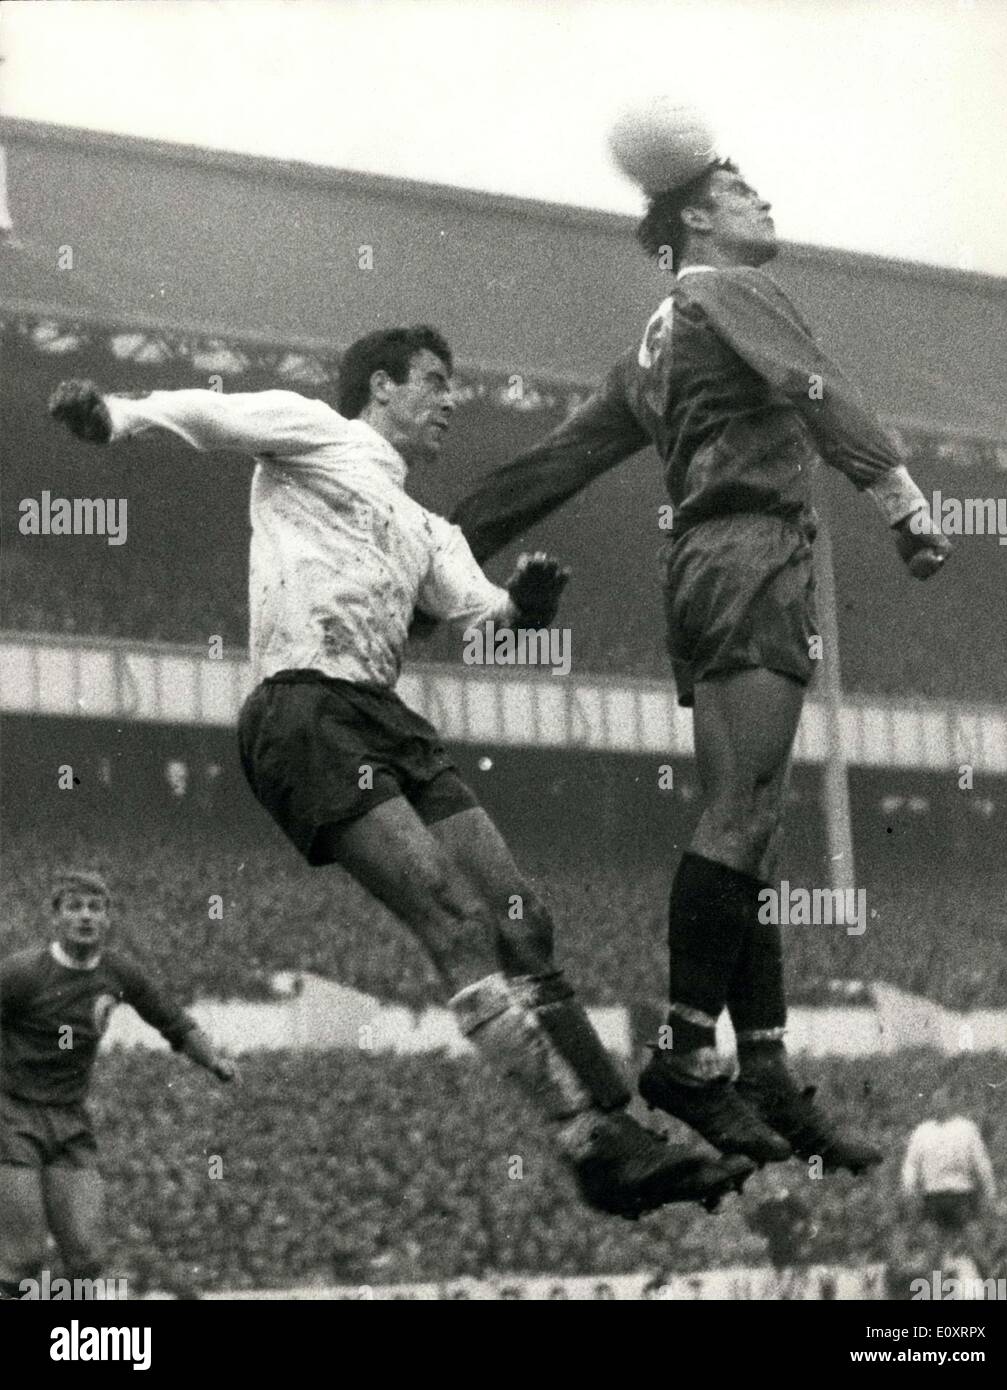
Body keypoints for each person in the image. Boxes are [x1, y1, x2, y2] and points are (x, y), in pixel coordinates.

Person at [48, 326, 751, 1220]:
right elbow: (207, 413)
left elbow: (482, 609)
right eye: (434, 382)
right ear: (380, 387)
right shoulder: (314, 430)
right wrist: (114, 414)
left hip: (385, 716)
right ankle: (587, 1141)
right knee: (457, 923)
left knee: (520, 921)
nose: (452, 400)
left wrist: (526, 608)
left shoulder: (426, 527)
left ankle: (619, 1130)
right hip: (304, 709)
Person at [447, 162, 952, 1173]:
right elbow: (816, 386)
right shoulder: (728, 289)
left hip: (701, 565)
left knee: (751, 826)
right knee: (738, 814)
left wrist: (447, 550)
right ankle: (685, 1052)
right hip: (755, 555)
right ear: (698, 220)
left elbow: (560, 460)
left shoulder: (652, 344)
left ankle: (759, 1064)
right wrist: (899, 494)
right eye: (743, 192)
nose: (765, 202)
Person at [0, 869, 236, 1301]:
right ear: (56, 917)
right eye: (74, 907)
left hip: (71, 1118)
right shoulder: (22, 974)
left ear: (108, 918)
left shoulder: (118, 972)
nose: (85, 917)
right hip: (13, 1115)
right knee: (22, 1259)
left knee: (88, 1258)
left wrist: (213, 1060)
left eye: (95, 908)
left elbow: (171, 1020)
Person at [901, 1087, 996, 1239]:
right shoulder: (922, 1131)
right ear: (931, 1104)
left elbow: (981, 1160)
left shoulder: (966, 1128)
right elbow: (911, 1164)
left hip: (961, 1194)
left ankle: (984, 1263)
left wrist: (989, 1187)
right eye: (936, 1101)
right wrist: (908, 1188)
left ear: (951, 1102)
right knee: (932, 1245)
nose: (939, 1104)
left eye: (943, 1100)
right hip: (933, 1195)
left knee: (973, 1242)